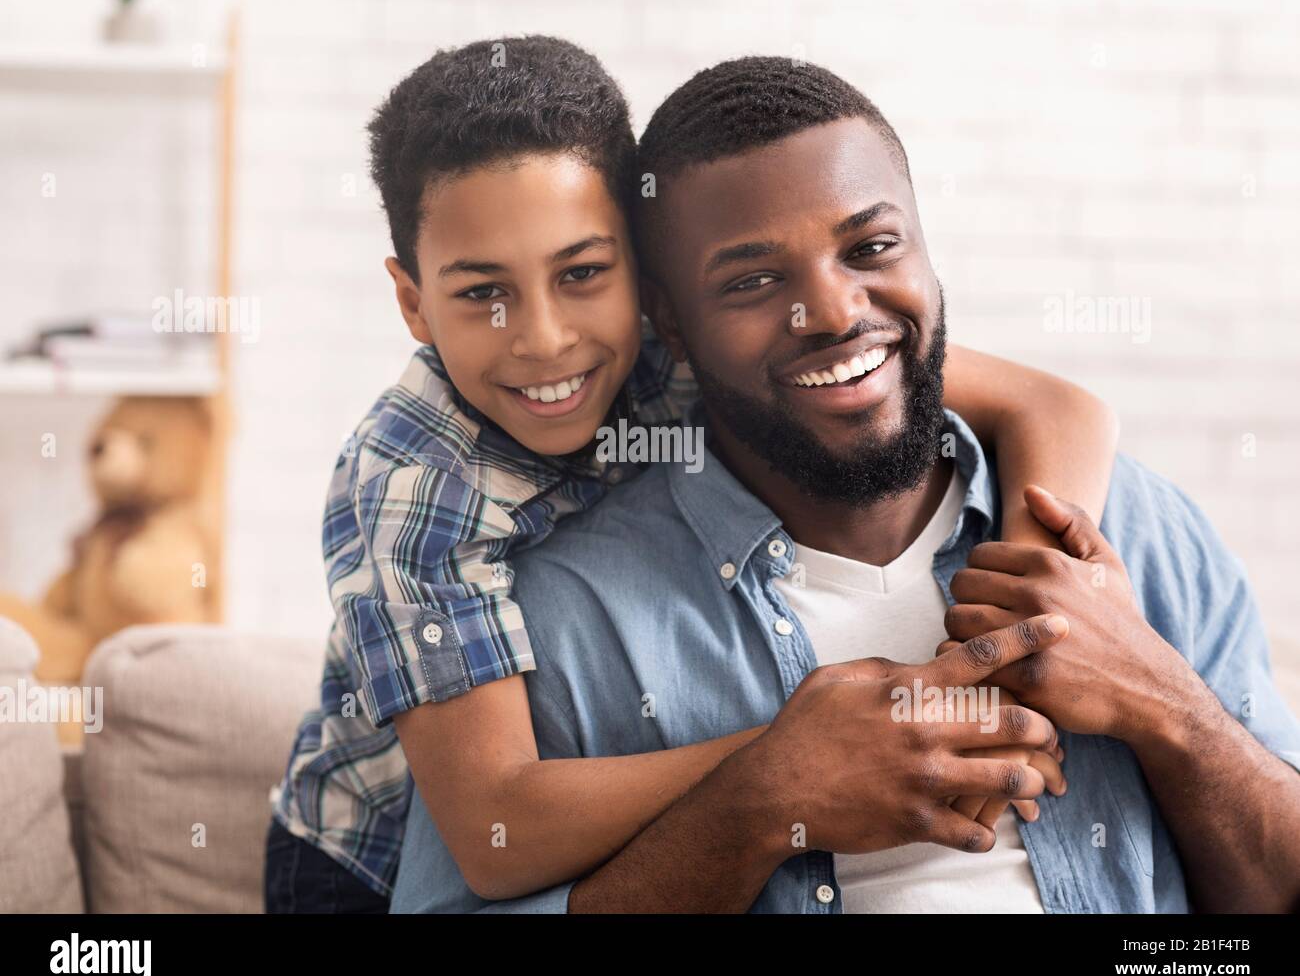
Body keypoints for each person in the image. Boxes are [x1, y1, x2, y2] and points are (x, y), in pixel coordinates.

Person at [389, 56, 1300, 914]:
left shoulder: (1133, 528)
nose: (832, 311)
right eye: (752, 279)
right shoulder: (563, 615)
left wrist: (1168, 707)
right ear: (667, 321)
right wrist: (756, 803)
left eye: (871, 246)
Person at [266, 38, 1118, 913]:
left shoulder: (690, 348)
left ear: (644, 272)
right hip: (362, 864)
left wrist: (1020, 648)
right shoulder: (416, 485)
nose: (547, 337)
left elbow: (1059, 409)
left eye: (583, 272)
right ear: (412, 301)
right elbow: (496, 832)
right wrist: (808, 754)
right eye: (484, 291)